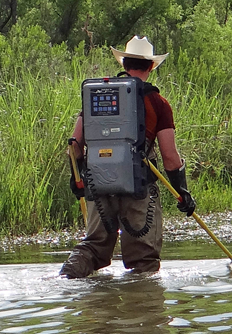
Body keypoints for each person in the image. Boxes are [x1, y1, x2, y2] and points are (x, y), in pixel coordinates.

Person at [60, 36, 196, 279]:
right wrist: (182, 190)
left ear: (124, 65)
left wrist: (78, 178)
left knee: (93, 247)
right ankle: (138, 307)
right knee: (143, 260)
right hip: (139, 189)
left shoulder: (95, 96)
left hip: (98, 185)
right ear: (151, 66)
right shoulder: (158, 103)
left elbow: (74, 145)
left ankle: (66, 278)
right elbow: (170, 157)